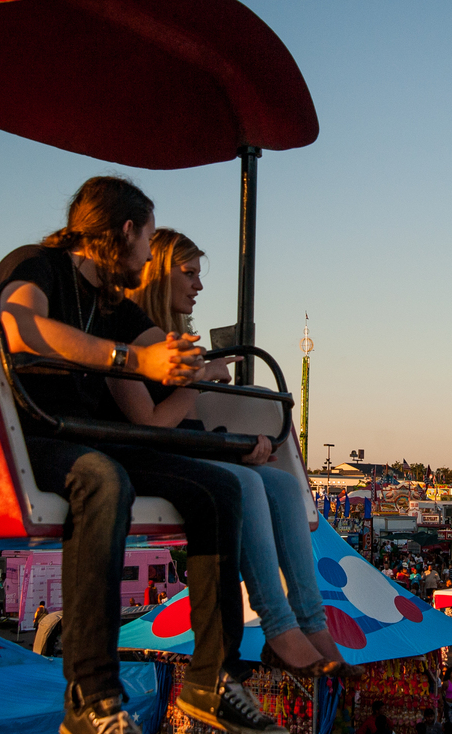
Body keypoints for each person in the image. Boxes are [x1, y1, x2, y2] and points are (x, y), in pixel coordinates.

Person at [0, 176, 272, 734]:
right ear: (126, 230)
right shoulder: (38, 264)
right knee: (103, 480)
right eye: (148, 239)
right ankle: (92, 697)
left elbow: (161, 354)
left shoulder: (112, 304)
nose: (149, 253)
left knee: (219, 489)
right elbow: (19, 328)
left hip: (82, 433)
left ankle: (212, 679)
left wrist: (198, 371)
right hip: (19, 433)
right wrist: (131, 361)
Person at [119, 228, 354, 679]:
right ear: (155, 275)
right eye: (188, 273)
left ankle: (312, 622)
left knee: (282, 483)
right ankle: (280, 628)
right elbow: (151, 428)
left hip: (187, 451)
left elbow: (185, 428)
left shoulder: (171, 339)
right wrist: (196, 381)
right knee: (247, 481)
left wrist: (234, 445)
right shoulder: (134, 337)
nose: (199, 286)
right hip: (154, 456)